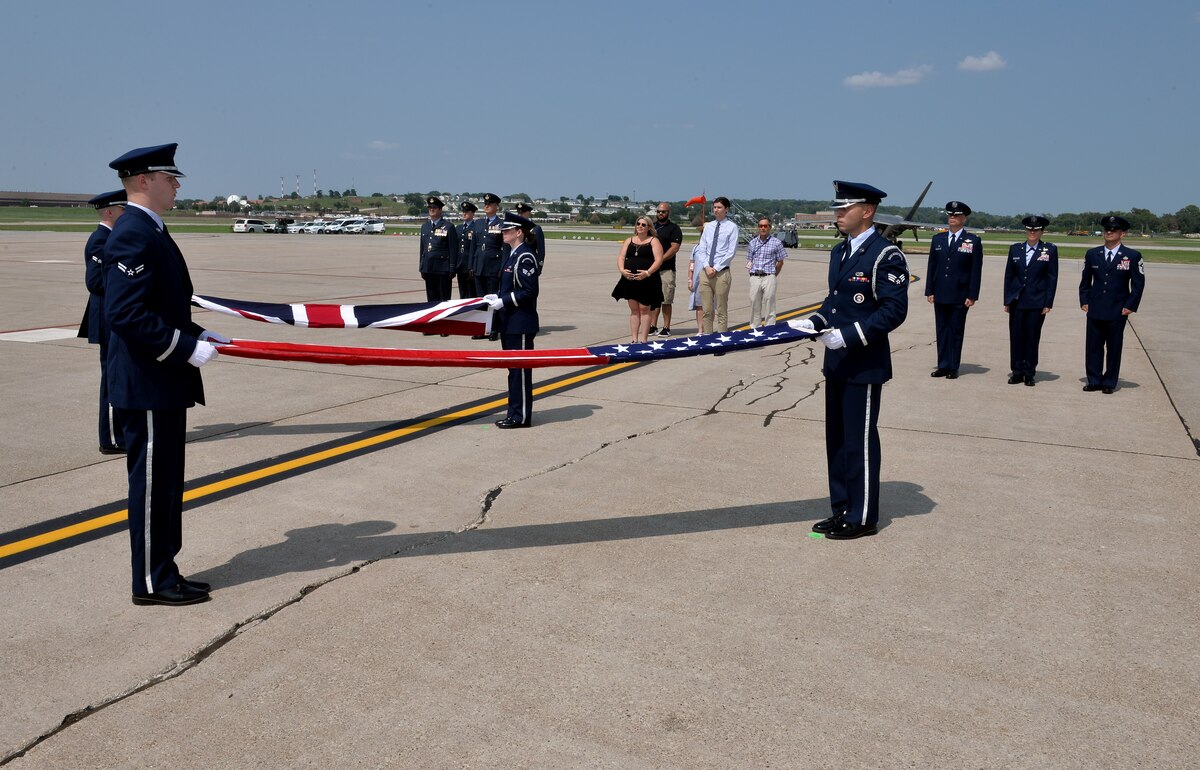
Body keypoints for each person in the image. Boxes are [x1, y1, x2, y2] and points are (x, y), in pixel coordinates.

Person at [103, 143, 226, 605]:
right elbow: (125, 313)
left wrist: (197, 332)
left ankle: (165, 570)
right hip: (149, 381)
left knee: (168, 484)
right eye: (168, 177)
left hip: (163, 381)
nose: (176, 185)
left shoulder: (152, 228)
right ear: (143, 181)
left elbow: (163, 304)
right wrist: (185, 348)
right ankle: (153, 581)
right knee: (154, 487)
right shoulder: (133, 232)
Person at [789, 181, 909, 540]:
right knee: (838, 441)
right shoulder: (840, 251)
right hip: (837, 362)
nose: (838, 214)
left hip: (864, 363)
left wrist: (849, 335)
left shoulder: (885, 255)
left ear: (867, 211)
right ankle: (841, 508)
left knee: (859, 442)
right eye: (838, 208)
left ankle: (863, 516)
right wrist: (815, 321)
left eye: (845, 208)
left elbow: (894, 310)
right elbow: (835, 302)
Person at [77, 189, 127, 454]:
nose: (127, 214)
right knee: (111, 380)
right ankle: (111, 439)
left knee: (118, 377)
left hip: (115, 319)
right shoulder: (100, 240)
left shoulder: (112, 238)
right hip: (108, 321)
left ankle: (122, 433)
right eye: (123, 210)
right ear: (109, 212)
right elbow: (94, 282)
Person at [483, 212, 540, 428]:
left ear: (519, 232)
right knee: (513, 371)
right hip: (509, 322)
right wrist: (498, 296)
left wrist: (503, 301)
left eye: (507, 230)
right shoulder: (513, 254)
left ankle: (521, 417)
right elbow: (511, 286)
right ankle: (514, 413)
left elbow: (529, 292)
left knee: (520, 372)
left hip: (520, 323)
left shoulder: (525, 256)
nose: (503, 233)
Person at [1079, 215, 1145, 394]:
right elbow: (1085, 281)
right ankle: (1094, 380)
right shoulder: (1093, 254)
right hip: (1095, 307)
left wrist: (1130, 305)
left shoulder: (1132, 256)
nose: (1109, 232)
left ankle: (1109, 382)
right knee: (1093, 346)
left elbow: (1138, 284)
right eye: (1107, 229)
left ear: (1122, 233)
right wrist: (1084, 300)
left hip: (1118, 309)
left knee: (1114, 347)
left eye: (1114, 230)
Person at [924, 200, 983, 379]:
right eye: (950, 215)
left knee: (955, 331)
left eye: (956, 215)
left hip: (960, 293)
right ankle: (942, 365)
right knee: (941, 330)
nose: (952, 217)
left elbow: (975, 270)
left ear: (964, 218)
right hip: (940, 291)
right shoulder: (938, 239)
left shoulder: (972, 241)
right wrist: (929, 290)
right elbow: (932, 266)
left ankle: (953, 367)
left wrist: (972, 295)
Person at [1003, 216, 1058, 386]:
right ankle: (1017, 371)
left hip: (1037, 301)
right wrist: (1007, 300)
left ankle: (1029, 373)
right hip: (1017, 301)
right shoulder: (1015, 249)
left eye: (1036, 230)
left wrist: (1048, 303)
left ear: (1042, 231)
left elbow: (1052, 278)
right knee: (1016, 337)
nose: (1032, 232)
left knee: (1032, 338)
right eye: (1029, 229)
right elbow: (1009, 276)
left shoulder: (1049, 250)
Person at [610, 215, 665, 342]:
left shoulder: (654, 241)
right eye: (638, 224)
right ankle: (634, 339)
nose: (640, 226)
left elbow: (659, 260)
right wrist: (622, 270)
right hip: (630, 280)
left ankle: (643, 340)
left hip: (647, 281)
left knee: (645, 309)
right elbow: (621, 257)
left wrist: (647, 272)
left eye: (643, 225)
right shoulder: (629, 240)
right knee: (634, 310)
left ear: (649, 227)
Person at [694, 196, 739, 333]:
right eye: (714, 207)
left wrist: (716, 268)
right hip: (706, 272)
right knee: (707, 310)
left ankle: (722, 338)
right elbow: (702, 248)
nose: (716, 210)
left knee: (721, 309)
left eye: (719, 207)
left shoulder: (732, 227)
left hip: (721, 272)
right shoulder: (709, 227)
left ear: (726, 209)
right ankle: (708, 337)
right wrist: (707, 267)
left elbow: (731, 252)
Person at [474, 193, 508, 340]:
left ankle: (494, 329)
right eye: (485, 204)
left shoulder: (502, 224)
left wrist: (502, 267)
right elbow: (474, 246)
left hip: (494, 266)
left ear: (496, 207)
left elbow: (505, 249)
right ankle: (482, 328)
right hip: (479, 266)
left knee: (494, 300)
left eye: (490, 204)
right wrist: (472, 266)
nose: (486, 206)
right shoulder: (478, 223)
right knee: (481, 299)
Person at [648, 202, 683, 337]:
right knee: (653, 300)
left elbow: (674, 248)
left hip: (666, 269)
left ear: (668, 213)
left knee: (666, 300)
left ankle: (666, 327)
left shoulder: (674, 228)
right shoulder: (652, 227)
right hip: (652, 270)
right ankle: (653, 326)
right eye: (658, 211)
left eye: (663, 212)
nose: (660, 214)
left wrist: (660, 259)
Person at [745, 217, 787, 327]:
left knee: (769, 302)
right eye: (761, 226)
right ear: (758, 227)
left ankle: (770, 326)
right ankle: (755, 327)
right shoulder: (752, 243)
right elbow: (749, 260)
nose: (763, 228)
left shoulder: (776, 243)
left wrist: (773, 275)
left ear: (770, 227)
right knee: (754, 302)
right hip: (755, 275)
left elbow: (780, 262)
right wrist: (752, 275)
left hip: (769, 275)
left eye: (765, 226)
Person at [418, 196, 458, 305]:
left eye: (434, 207)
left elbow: (453, 249)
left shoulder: (448, 227)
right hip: (428, 268)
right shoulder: (425, 227)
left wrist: (452, 268)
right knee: (431, 300)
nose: (431, 209)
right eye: (430, 207)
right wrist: (421, 267)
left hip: (442, 269)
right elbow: (423, 249)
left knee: (443, 300)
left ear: (440, 210)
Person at [454, 201, 480, 299]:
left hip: (470, 266)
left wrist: (473, 266)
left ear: (473, 214)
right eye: (463, 212)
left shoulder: (476, 228)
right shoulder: (458, 228)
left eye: (467, 212)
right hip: (460, 266)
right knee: (463, 292)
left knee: (472, 293)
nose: (464, 214)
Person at [514, 201, 546, 272]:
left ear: (528, 213)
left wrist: (539, 266)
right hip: (515, 263)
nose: (520, 215)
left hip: (529, 264)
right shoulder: (513, 229)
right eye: (518, 213)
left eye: (522, 213)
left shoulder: (535, 229)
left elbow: (541, 250)